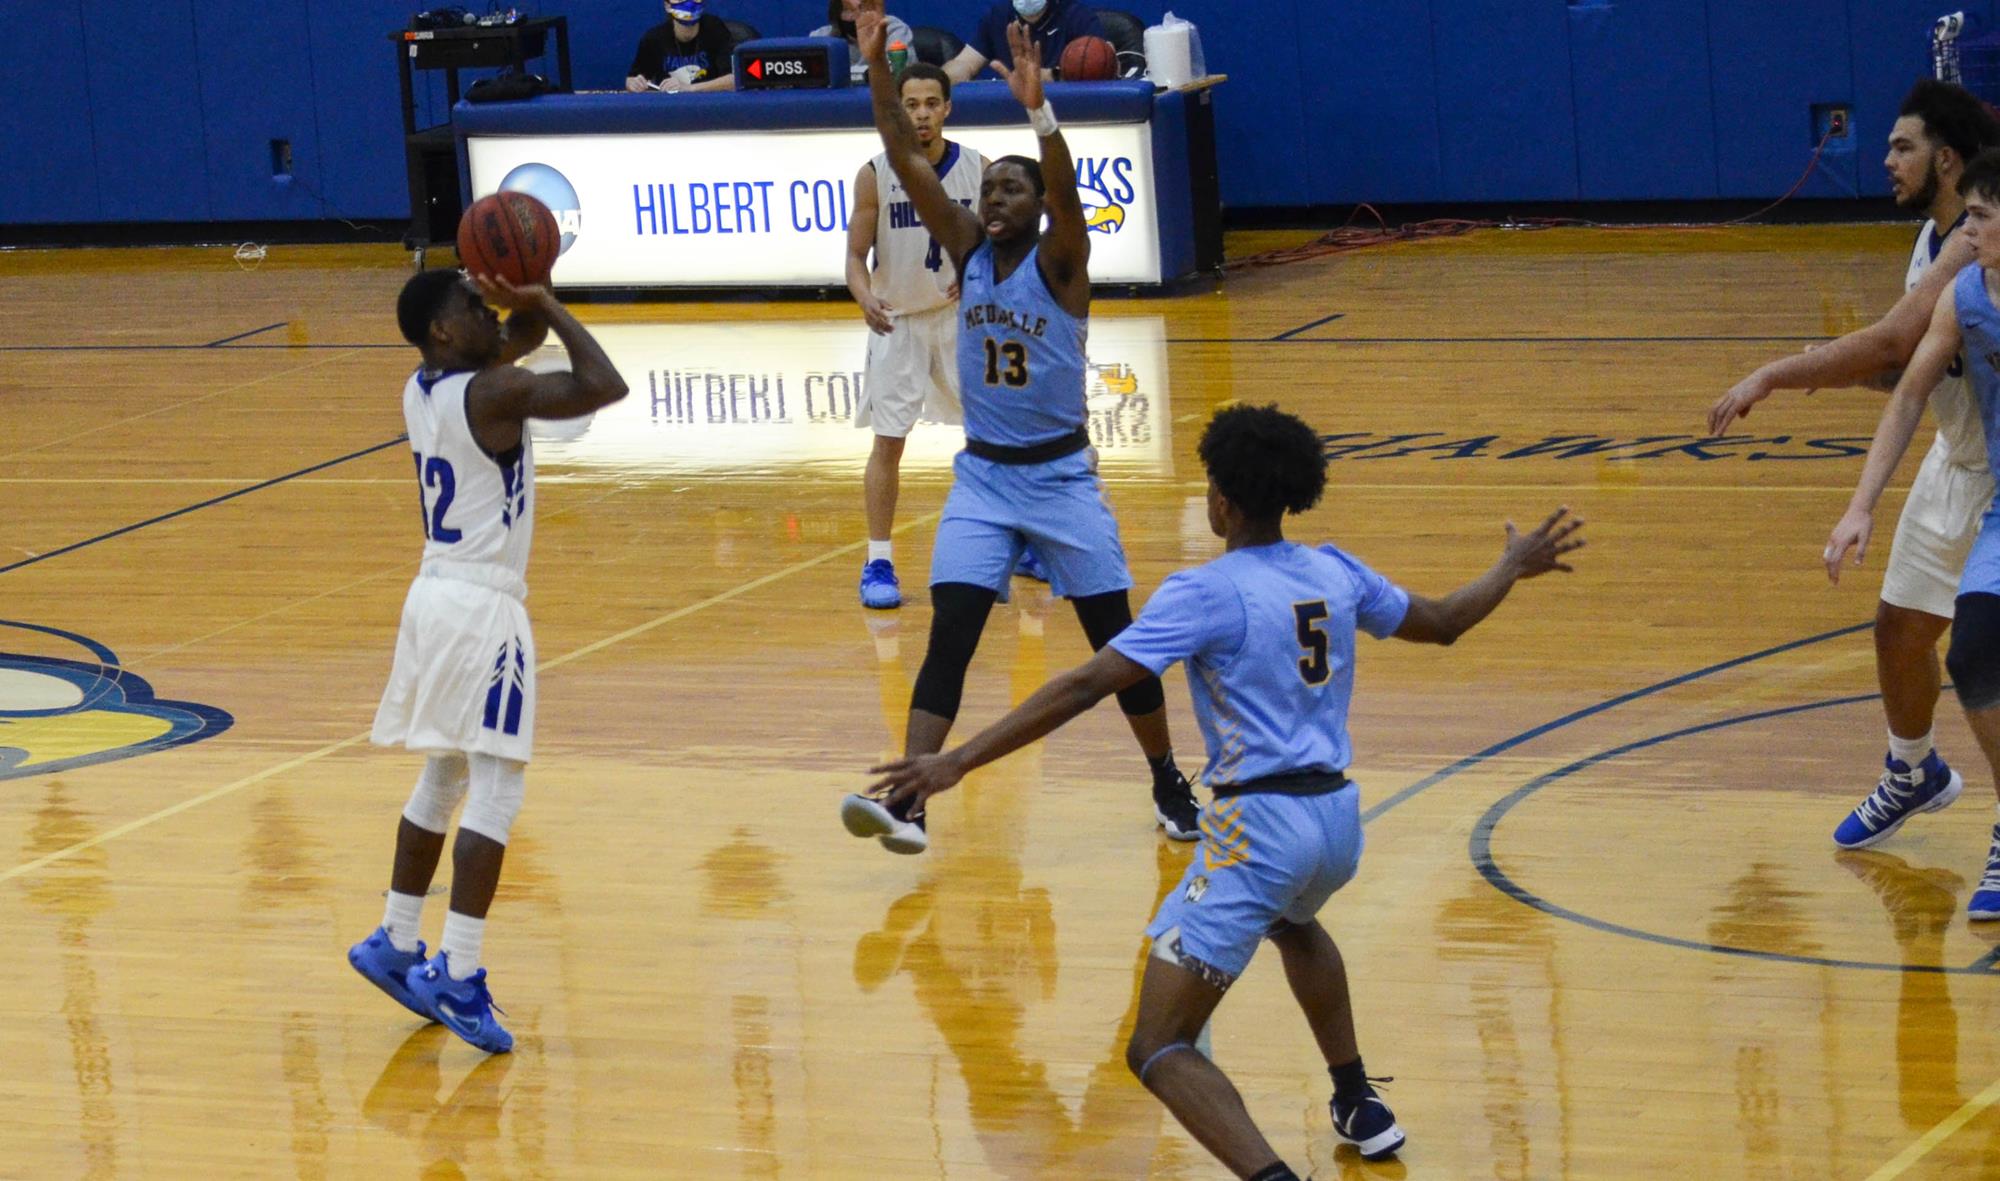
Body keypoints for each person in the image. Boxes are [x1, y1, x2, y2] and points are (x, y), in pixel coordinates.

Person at [866, 404, 1586, 1178]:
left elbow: (1082, 685)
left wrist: (956, 761)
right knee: (1297, 921)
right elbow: (1444, 621)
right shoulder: (1334, 570)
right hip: (1337, 821)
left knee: (1159, 1045)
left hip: (1261, 828)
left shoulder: (1205, 592)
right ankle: (1357, 1100)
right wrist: (1509, 567)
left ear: (1224, 503)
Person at [838, 6, 1201, 852]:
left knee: (1117, 641)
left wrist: (1041, 117)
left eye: (1012, 189)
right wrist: (877, 71)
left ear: (1039, 206)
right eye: (988, 187)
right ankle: (910, 798)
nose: (993, 197)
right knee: (951, 633)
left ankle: (1166, 777)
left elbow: (1066, 189)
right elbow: (900, 153)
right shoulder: (966, 251)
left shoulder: (1063, 264)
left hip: (1063, 480)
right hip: (985, 479)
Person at [1710, 81, 2000, 852]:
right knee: (1899, 630)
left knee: (1982, 661)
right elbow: (1904, 371)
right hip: (1955, 460)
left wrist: (1778, 370)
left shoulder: (1978, 241)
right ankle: (1914, 772)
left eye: (1901, 147)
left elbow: (1885, 342)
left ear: (1946, 160)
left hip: (1996, 476)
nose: (1885, 161)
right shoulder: (1931, 237)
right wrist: (1816, 374)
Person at [346, 268, 628, 1052]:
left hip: (433, 594)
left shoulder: (426, 385)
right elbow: (605, 383)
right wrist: (548, 302)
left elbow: (508, 346)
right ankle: (458, 971)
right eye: (472, 306)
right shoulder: (493, 394)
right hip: (482, 611)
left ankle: (397, 937)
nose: (487, 312)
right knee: (497, 787)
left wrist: (520, 297)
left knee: (444, 773)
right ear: (443, 330)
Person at [1826, 146, 2000, 922]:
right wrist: (1860, 505)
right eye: (1972, 217)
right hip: (1993, 499)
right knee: (1963, 650)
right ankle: (1922, 775)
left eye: (1986, 219)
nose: (1972, 230)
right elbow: (1905, 393)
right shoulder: (1966, 293)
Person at [849, 62, 987, 609]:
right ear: (898, 110)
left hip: (960, 323)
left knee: (992, 438)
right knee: (888, 443)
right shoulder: (874, 172)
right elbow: (855, 258)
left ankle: (1019, 542)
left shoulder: (979, 167)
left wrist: (975, 272)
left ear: (948, 108)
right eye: (912, 104)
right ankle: (878, 560)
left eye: (932, 103)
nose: (923, 113)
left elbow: (1003, 244)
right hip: (898, 319)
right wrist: (863, 295)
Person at [944, 0, 1104, 84]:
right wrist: (941, 80)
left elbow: (1103, 67)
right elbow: (965, 63)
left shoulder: (1077, 16)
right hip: (1014, 112)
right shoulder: (997, 16)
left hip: (1066, 113)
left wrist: (1051, 75)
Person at [626, 0, 740, 93]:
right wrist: (633, 84)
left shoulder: (715, 29)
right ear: (667, 5)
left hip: (710, 107)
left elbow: (734, 79)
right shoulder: (653, 39)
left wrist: (689, 88)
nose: (688, 3)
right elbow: (632, 79)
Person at [813, 0, 914, 83]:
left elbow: (899, 72)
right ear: (836, 13)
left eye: (861, 8)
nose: (854, 16)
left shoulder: (894, 29)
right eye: (847, 10)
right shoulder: (822, 36)